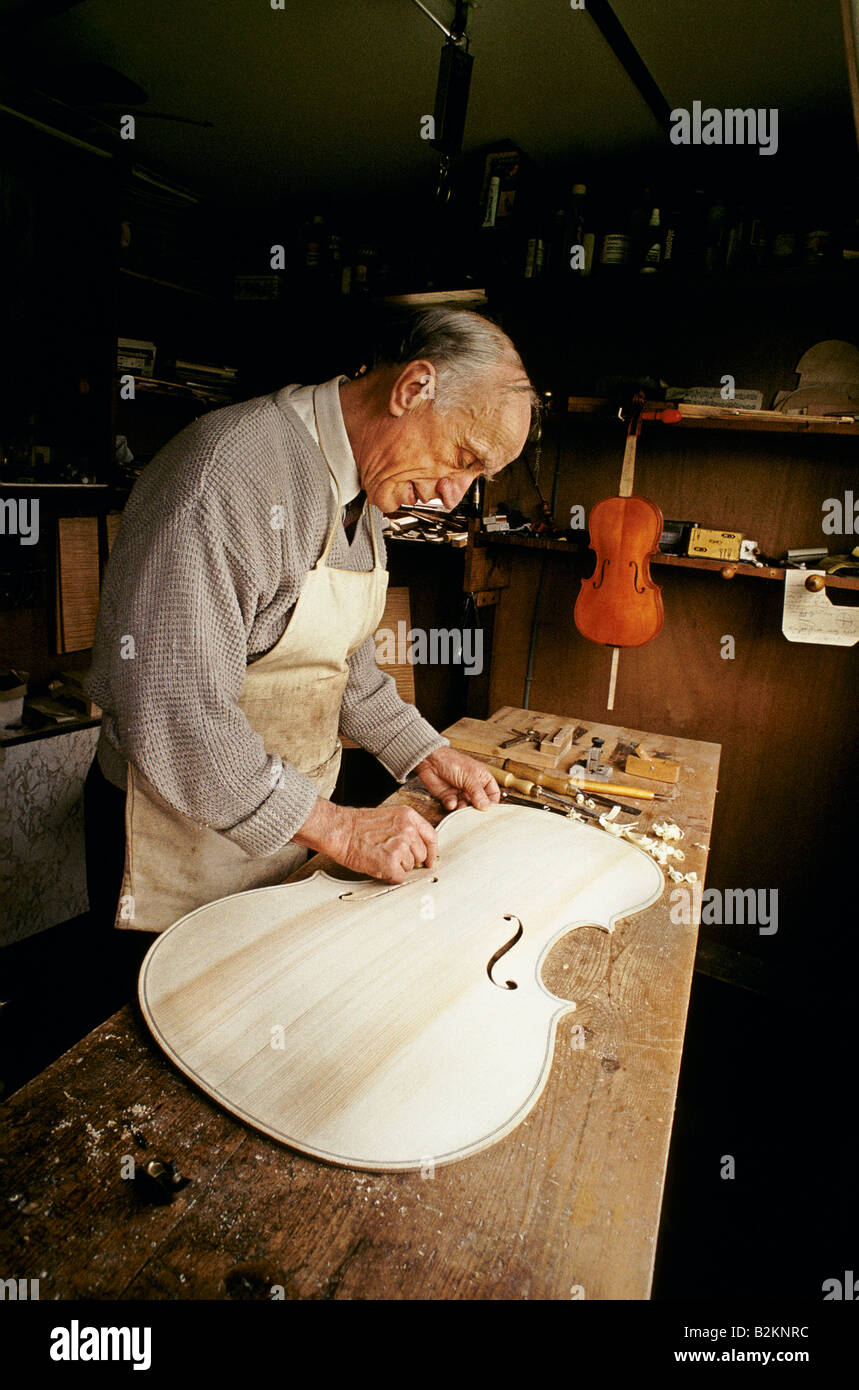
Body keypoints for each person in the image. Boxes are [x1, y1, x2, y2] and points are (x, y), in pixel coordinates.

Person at [83, 307, 538, 967]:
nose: (449, 495)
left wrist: (424, 754)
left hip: (285, 831)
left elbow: (343, 668)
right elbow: (179, 716)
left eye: (475, 479)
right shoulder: (229, 476)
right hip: (176, 844)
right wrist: (344, 829)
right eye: (461, 460)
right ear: (412, 389)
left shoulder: (361, 488)